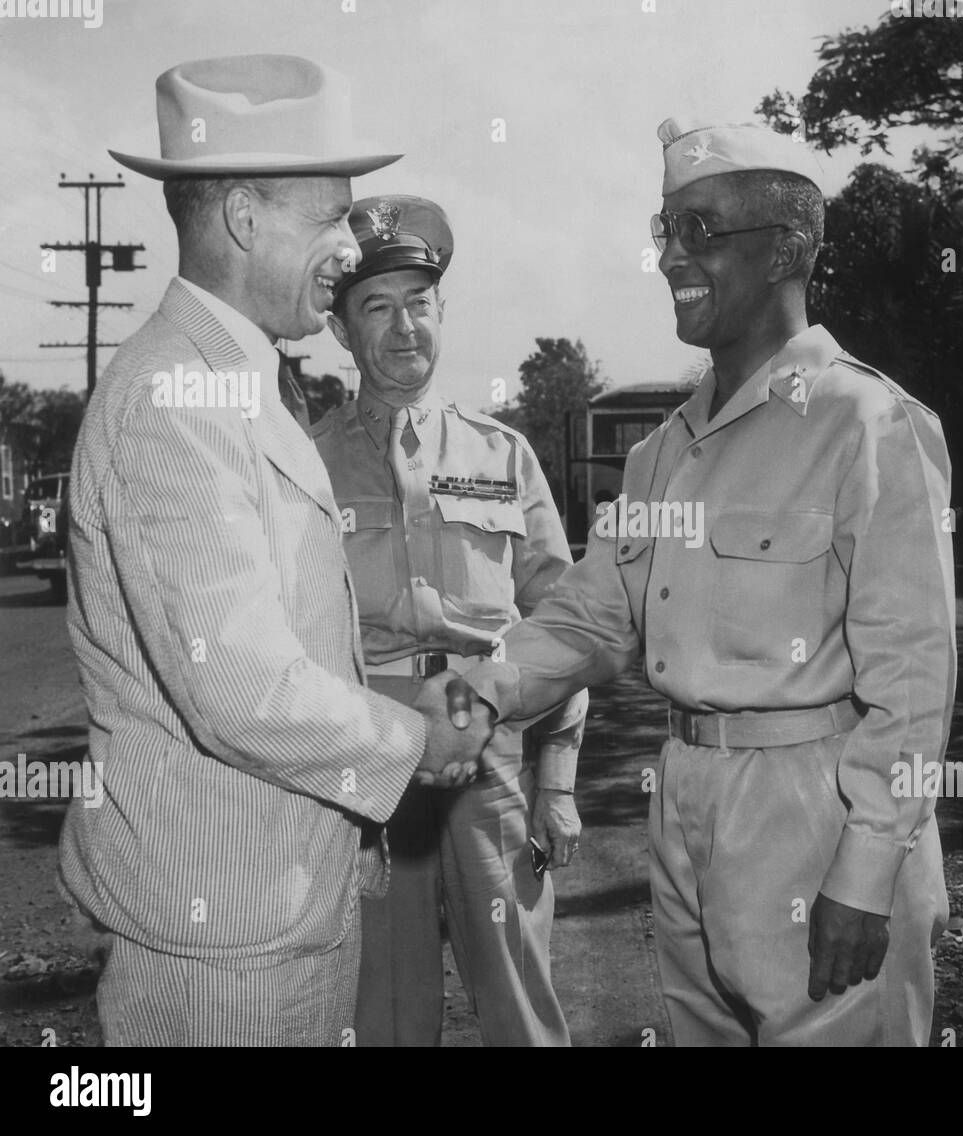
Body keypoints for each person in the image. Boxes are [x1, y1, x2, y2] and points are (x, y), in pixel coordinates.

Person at [454, 117, 957, 1046]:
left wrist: (868, 866)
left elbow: (916, 677)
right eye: (665, 228)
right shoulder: (661, 453)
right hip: (685, 794)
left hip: (814, 805)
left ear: (786, 252)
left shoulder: (865, 421)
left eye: (701, 230)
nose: (671, 255)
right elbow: (594, 617)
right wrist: (482, 689)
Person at [60, 55, 490, 1047]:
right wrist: (416, 738)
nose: (350, 245)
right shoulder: (176, 398)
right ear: (244, 218)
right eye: (330, 217)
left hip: (272, 906)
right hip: (223, 946)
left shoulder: (237, 379)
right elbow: (240, 685)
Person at [313, 195, 586, 1046]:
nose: (405, 328)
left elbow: (565, 625)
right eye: (377, 307)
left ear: (443, 310)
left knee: (520, 1006)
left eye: (419, 303)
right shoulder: (304, 465)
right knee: (384, 1015)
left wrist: (559, 780)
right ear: (340, 329)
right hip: (366, 759)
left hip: (489, 752)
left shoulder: (502, 455)